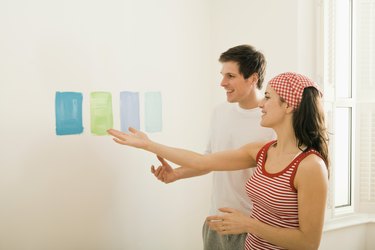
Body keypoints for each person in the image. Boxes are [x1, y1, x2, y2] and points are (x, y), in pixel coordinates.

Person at [107, 72, 330, 250]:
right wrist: (149, 145)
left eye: (269, 97)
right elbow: (203, 162)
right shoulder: (261, 152)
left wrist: (249, 225)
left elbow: (308, 243)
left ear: (288, 105)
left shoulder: (310, 166)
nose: (262, 103)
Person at [150, 44, 275, 250]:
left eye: (230, 76)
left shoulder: (271, 120)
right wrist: (177, 174)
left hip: (250, 227)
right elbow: (209, 161)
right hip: (215, 222)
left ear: (253, 78)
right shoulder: (220, 112)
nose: (222, 83)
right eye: (222, 75)